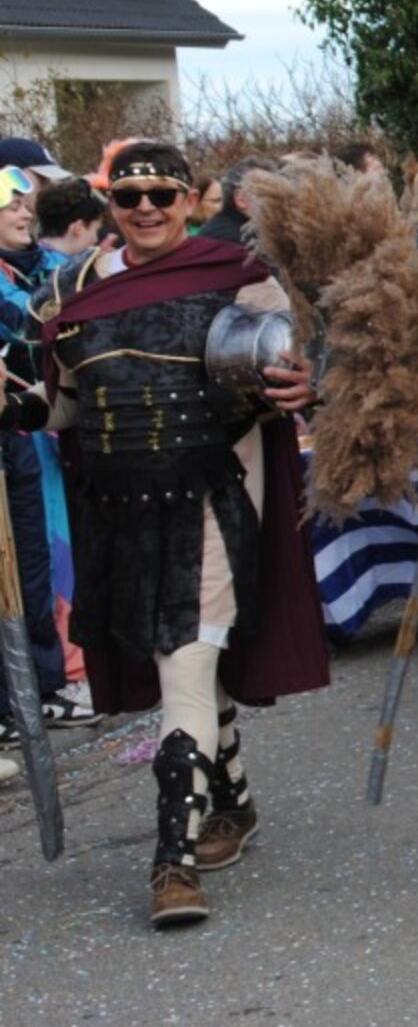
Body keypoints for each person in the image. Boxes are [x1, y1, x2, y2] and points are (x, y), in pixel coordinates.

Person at [0, 140, 326, 927]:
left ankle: (171, 865)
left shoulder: (240, 279)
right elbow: (71, 406)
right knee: (185, 660)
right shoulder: (72, 289)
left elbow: (293, 368)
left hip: (210, 497)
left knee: (185, 658)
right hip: (116, 509)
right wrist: (22, 406)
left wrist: (302, 381)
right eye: (129, 196)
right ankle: (234, 805)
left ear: (188, 199)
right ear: (108, 204)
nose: (145, 208)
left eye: (162, 195)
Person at [0, 165, 98, 748]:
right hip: (13, 422)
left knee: (33, 562)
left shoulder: (32, 266)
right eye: (10, 206)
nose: (23, 215)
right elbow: (28, 328)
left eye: (25, 207)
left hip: (18, 436)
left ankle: (45, 684)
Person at [196, 155, 279, 246]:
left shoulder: (227, 228)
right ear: (241, 199)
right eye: (268, 191)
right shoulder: (238, 242)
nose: (279, 199)